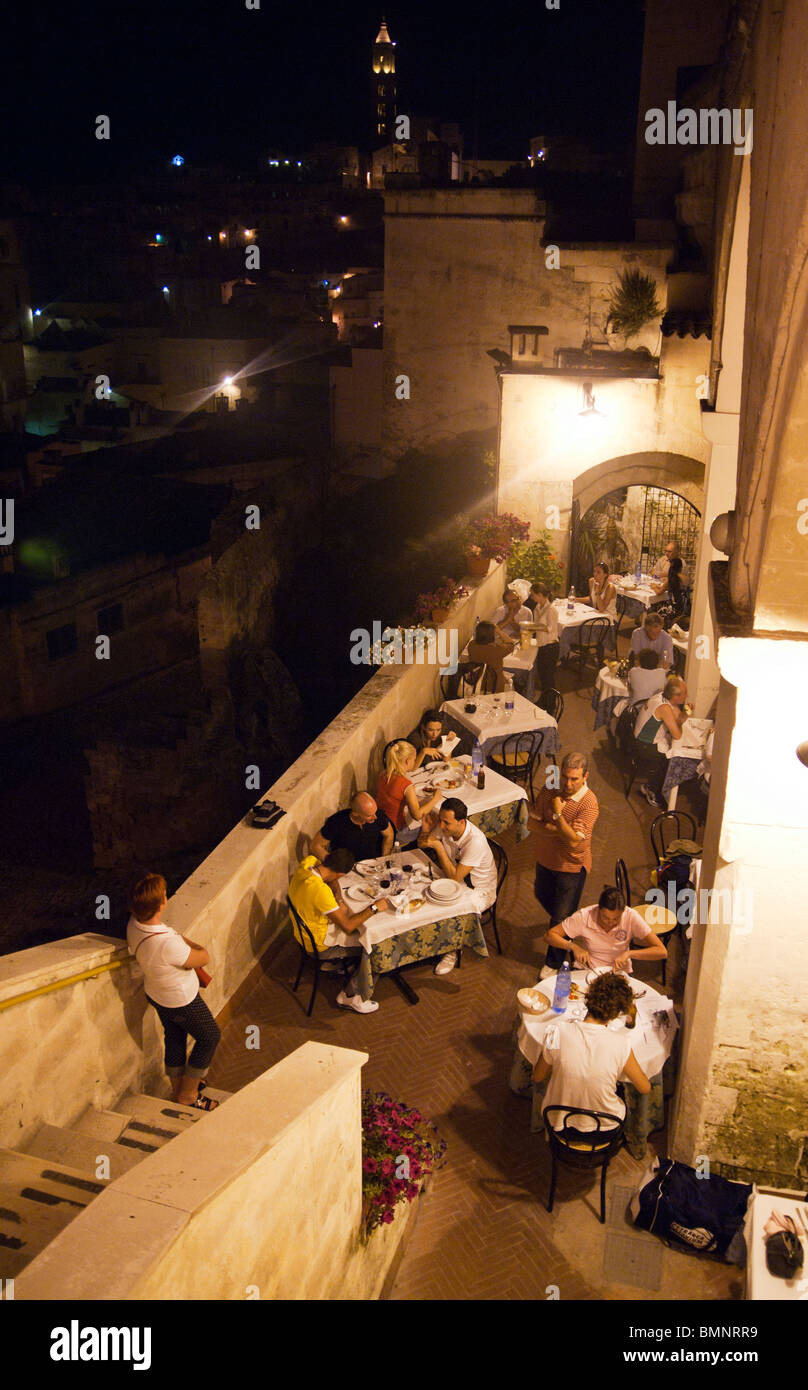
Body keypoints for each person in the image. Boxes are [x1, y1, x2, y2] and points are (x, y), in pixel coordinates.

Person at [127, 873, 221, 1109]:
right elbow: (203, 957)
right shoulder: (167, 942)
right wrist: (186, 942)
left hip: (157, 995)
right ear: (162, 904)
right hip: (181, 1000)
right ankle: (189, 1095)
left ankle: (178, 1089)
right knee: (209, 1036)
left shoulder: (133, 925)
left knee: (175, 1038)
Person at [533, 972, 651, 1135]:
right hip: (603, 1129)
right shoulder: (621, 1043)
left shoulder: (557, 1031)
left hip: (559, 1123)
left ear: (588, 999)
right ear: (617, 1013)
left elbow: (538, 1076)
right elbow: (644, 1087)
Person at [288, 849, 391, 1014]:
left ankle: (340, 967)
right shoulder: (319, 891)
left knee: (361, 930)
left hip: (302, 930)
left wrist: (337, 894)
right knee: (375, 948)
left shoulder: (308, 864)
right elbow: (348, 926)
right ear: (341, 874)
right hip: (319, 944)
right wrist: (374, 908)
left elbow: (331, 879)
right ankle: (351, 996)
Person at [529, 752, 600, 978]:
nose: (568, 784)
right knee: (542, 896)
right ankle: (569, 924)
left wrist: (557, 814)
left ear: (585, 776)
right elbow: (531, 823)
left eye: (574, 779)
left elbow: (573, 840)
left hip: (571, 866)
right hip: (546, 860)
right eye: (565, 778)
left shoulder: (589, 803)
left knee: (559, 918)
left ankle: (553, 962)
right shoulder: (550, 788)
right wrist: (555, 830)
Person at [417, 797, 497, 975]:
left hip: (479, 890)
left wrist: (438, 846)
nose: (442, 826)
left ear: (462, 822)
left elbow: (454, 878)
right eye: (441, 821)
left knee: (449, 905)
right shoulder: (445, 823)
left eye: (446, 823)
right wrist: (426, 831)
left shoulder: (474, 841)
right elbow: (422, 843)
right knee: (421, 888)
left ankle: (451, 950)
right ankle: (429, 940)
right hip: (456, 875)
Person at [544, 885, 668, 974]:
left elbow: (662, 951)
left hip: (618, 972)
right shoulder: (584, 916)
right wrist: (573, 947)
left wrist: (629, 954)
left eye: (616, 919)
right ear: (598, 909)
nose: (610, 923)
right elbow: (550, 936)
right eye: (605, 918)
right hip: (588, 969)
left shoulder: (631, 916)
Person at [633, 673, 689, 807]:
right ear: (675, 696)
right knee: (672, 760)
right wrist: (681, 719)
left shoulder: (663, 696)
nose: (686, 696)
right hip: (644, 745)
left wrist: (684, 714)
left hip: (641, 738)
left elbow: (678, 717)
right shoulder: (664, 708)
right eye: (684, 694)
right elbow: (677, 734)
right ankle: (650, 788)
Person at [375, 740, 442, 838]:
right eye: (414, 760)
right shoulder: (406, 785)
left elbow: (412, 768)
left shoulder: (384, 774)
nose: (415, 762)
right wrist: (436, 799)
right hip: (397, 831)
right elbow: (417, 816)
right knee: (437, 822)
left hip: (380, 824)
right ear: (407, 761)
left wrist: (423, 752)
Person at [310, 792, 393, 865]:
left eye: (375, 812)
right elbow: (315, 846)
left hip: (373, 865)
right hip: (347, 868)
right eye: (369, 815)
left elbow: (389, 835)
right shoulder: (337, 822)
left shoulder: (378, 814)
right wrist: (334, 864)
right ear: (355, 814)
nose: (375, 817)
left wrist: (383, 859)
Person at [527, 582, 560, 693]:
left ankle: (551, 704)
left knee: (548, 677)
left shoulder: (551, 610)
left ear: (540, 594)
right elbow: (536, 626)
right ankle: (545, 700)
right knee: (542, 676)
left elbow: (549, 628)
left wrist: (532, 626)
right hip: (541, 644)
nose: (531, 597)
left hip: (550, 646)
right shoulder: (537, 608)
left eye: (533, 595)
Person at [466, 619, 513, 694]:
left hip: (476, 683)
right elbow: (511, 643)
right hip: (495, 687)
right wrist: (499, 631)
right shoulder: (496, 649)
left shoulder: (471, 645)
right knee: (510, 680)